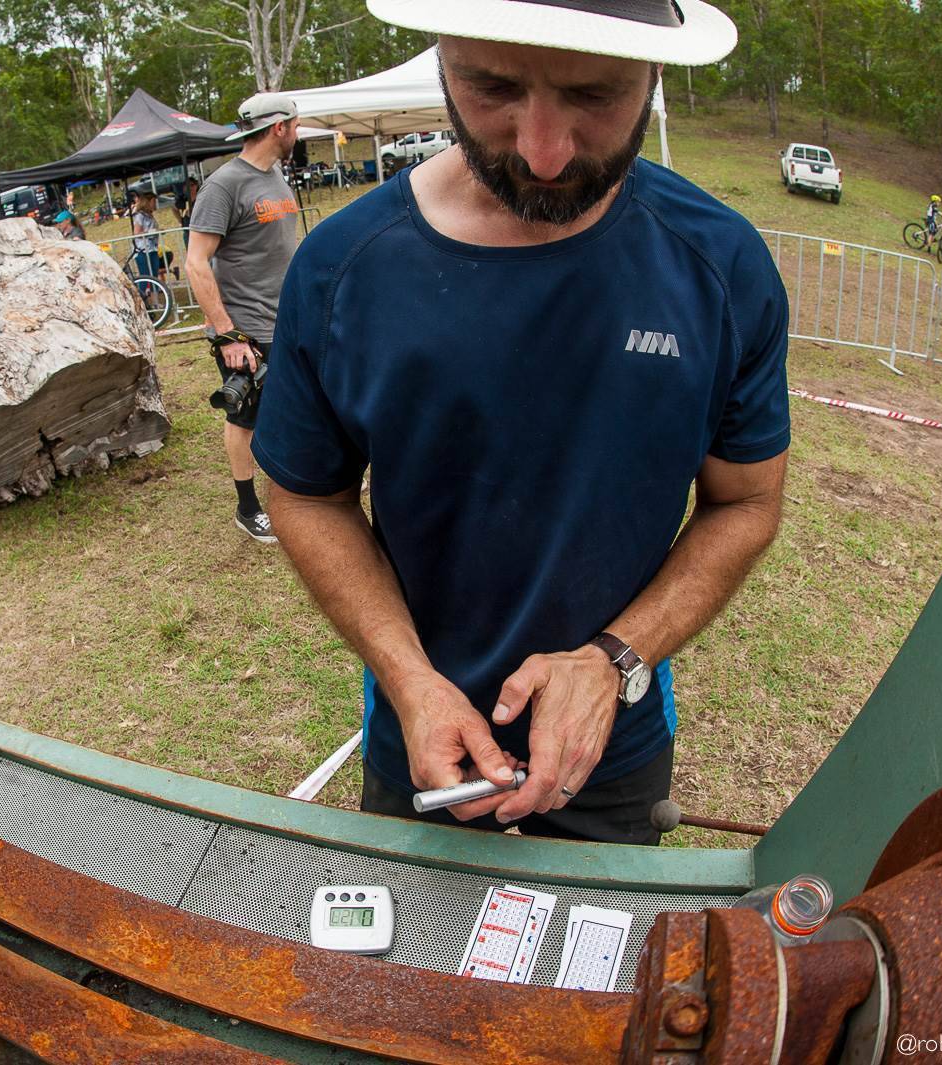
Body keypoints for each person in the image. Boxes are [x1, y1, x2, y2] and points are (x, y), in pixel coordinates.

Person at [252, 1, 788, 843]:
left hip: (615, 751)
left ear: (655, 74)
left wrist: (615, 659)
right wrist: (408, 678)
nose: (545, 151)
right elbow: (304, 494)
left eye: (596, 95)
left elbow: (748, 500)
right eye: (491, 85)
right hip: (417, 745)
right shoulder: (344, 268)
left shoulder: (722, 268)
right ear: (441, 57)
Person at [185, 93, 302, 544]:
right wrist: (228, 334)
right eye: (294, 125)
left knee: (292, 406)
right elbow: (197, 262)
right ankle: (248, 507)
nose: (296, 132)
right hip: (246, 328)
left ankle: (295, 482)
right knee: (245, 418)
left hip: (286, 320)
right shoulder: (223, 186)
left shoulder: (274, 175)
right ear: (279, 128)